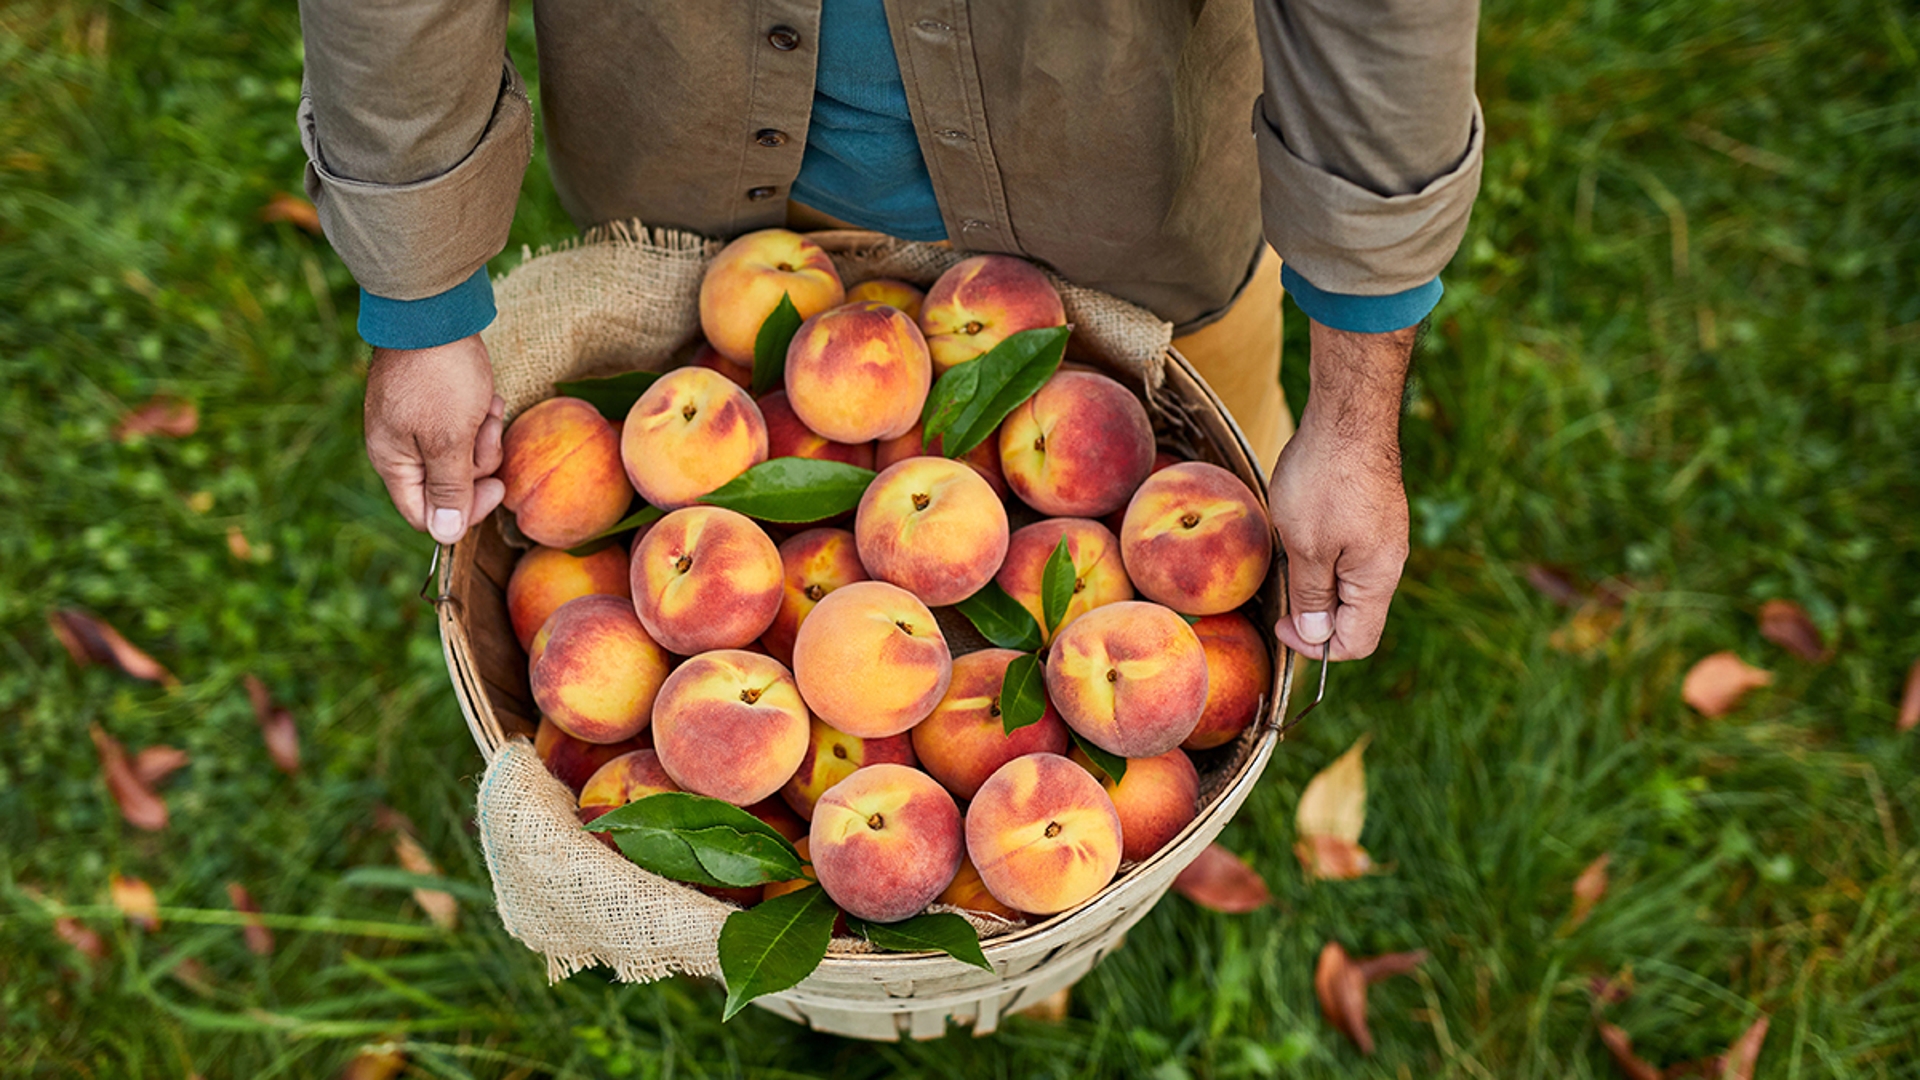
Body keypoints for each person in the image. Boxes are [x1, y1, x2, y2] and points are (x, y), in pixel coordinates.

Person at [298, 0, 1481, 663]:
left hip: (1133, 217)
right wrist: (421, 291)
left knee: (1202, 527)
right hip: (696, 221)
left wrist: (1353, 400)